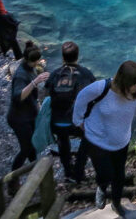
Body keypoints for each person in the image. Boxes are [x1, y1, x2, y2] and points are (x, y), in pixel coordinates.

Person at [73, 61, 136, 212]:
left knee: (119, 176)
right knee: (106, 174)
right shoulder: (101, 88)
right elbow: (81, 98)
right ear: (124, 82)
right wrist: (78, 121)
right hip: (96, 139)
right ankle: (101, 187)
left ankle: (116, 204)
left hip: (121, 142)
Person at [47, 41, 97, 182]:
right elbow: (94, 97)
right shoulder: (86, 74)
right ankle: (79, 171)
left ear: (63, 58)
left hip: (57, 123)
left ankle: (68, 171)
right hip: (77, 123)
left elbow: (47, 94)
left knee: (63, 140)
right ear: (78, 56)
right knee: (88, 138)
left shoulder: (54, 75)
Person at [7, 43, 49, 169]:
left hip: (30, 115)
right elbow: (17, 97)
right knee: (26, 149)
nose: (39, 62)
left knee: (32, 146)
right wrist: (35, 82)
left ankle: (34, 168)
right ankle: (13, 177)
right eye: (37, 60)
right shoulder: (20, 75)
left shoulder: (29, 67)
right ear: (32, 60)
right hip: (19, 118)